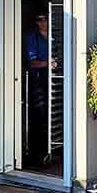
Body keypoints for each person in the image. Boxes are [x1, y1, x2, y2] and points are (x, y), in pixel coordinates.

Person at [25, 10, 56, 164]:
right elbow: (31, 62)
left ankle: (52, 150)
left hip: (55, 81)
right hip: (38, 81)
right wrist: (47, 64)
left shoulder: (55, 37)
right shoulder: (33, 38)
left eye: (45, 18)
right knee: (40, 115)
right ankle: (37, 153)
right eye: (39, 19)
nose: (42, 22)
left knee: (53, 114)